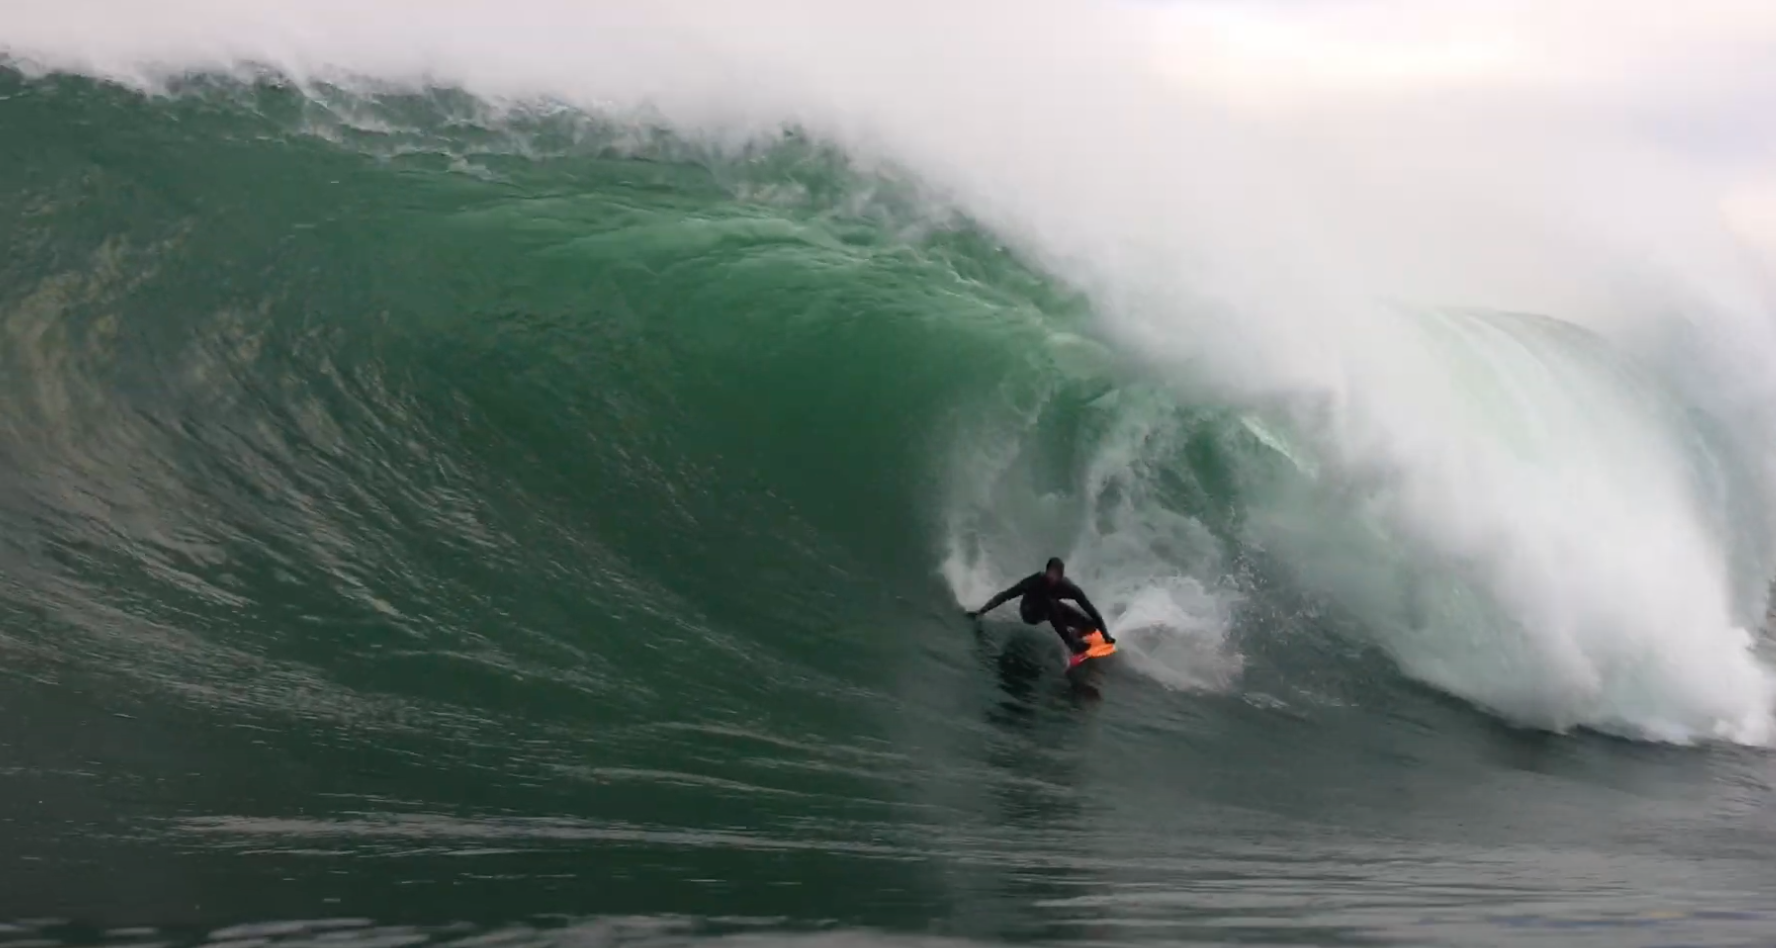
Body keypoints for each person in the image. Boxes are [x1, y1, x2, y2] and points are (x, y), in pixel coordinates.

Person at [967, 557, 1113, 655]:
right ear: (1046, 572)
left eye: (1057, 575)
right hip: (1029, 612)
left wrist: (1106, 635)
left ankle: (1076, 635)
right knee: (1050, 603)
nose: (1053, 578)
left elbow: (1090, 609)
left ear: (1062, 576)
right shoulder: (1035, 581)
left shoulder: (1068, 588)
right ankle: (1071, 644)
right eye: (1051, 574)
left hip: (1051, 608)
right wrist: (981, 611)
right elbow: (1006, 595)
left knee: (1091, 626)